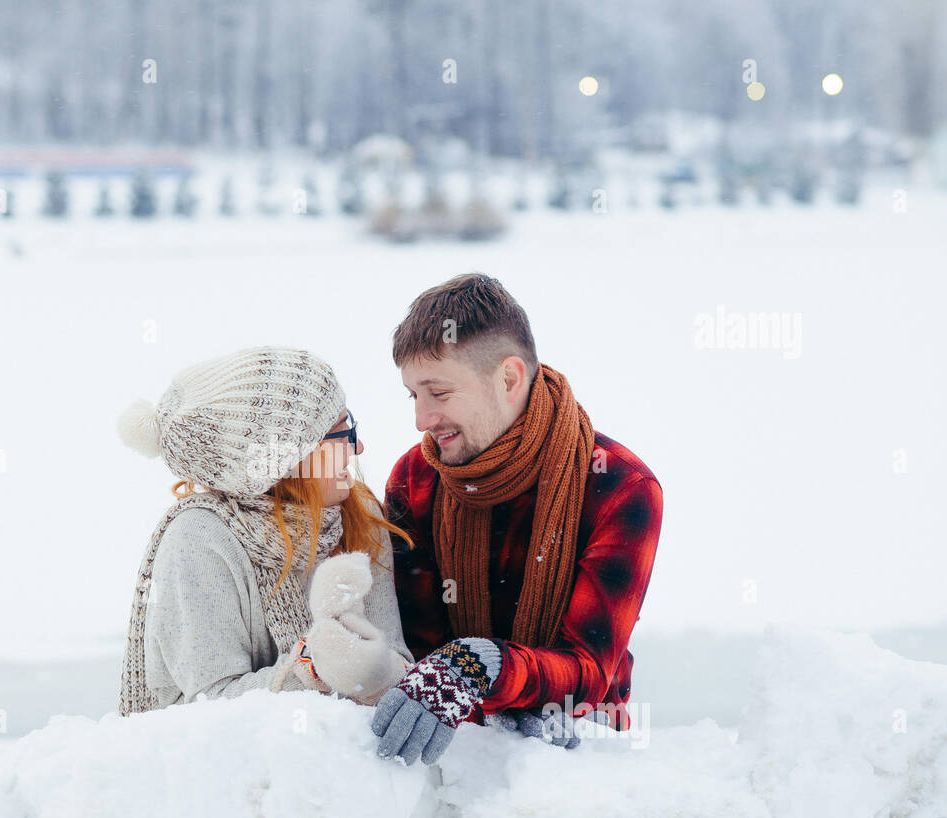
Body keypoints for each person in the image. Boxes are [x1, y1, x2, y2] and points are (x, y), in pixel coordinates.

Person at [369, 273, 664, 765]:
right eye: (412, 396)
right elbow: (421, 648)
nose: (421, 419)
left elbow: (590, 670)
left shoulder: (618, 486)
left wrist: (486, 668)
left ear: (508, 378)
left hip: (585, 755)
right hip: (457, 746)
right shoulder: (415, 478)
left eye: (437, 393)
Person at [116, 346, 414, 716]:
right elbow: (208, 707)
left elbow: (398, 660)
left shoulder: (359, 514)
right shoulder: (199, 538)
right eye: (341, 431)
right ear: (286, 454)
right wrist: (315, 667)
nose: (358, 446)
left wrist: (375, 667)